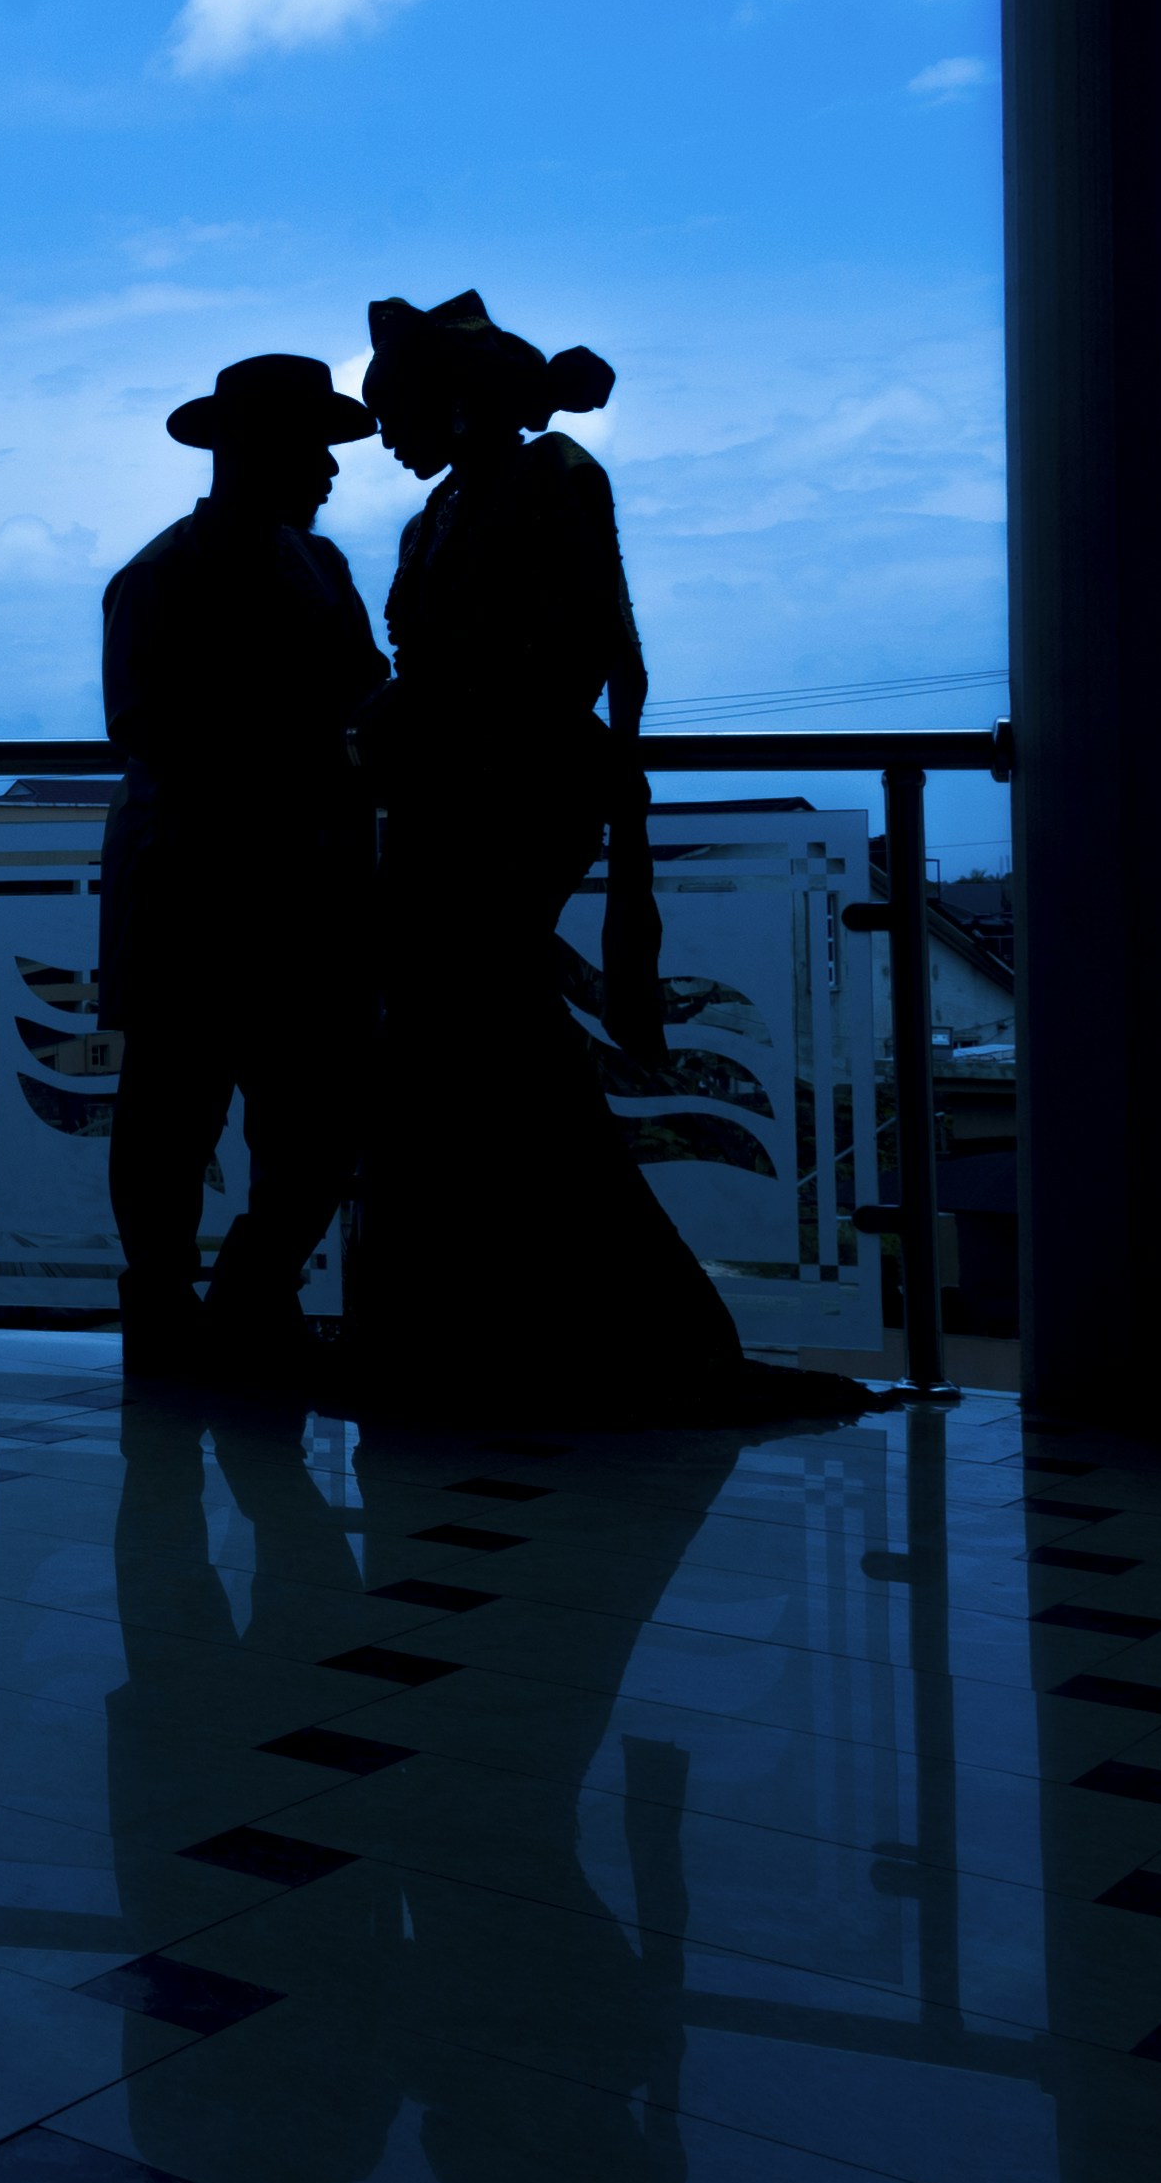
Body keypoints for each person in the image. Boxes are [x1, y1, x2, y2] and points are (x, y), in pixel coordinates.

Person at [345, 292, 859, 1423]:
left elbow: (586, 645)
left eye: (396, 410)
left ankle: (573, 1317)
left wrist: (445, 717)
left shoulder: (553, 477)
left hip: (518, 791)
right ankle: (488, 1312)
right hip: (442, 797)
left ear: (459, 399)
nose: (383, 435)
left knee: (475, 1023)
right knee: (458, 1039)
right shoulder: (432, 517)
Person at [97, 350, 387, 1368]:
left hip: (302, 881)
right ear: (250, 453)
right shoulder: (161, 575)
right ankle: (174, 1307)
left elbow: (366, 695)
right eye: (312, 449)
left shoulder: (320, 567)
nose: (329, 470)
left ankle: (250, 1290)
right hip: (195, 879)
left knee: (310, 1116)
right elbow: (145, 724)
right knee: (174, 1110)